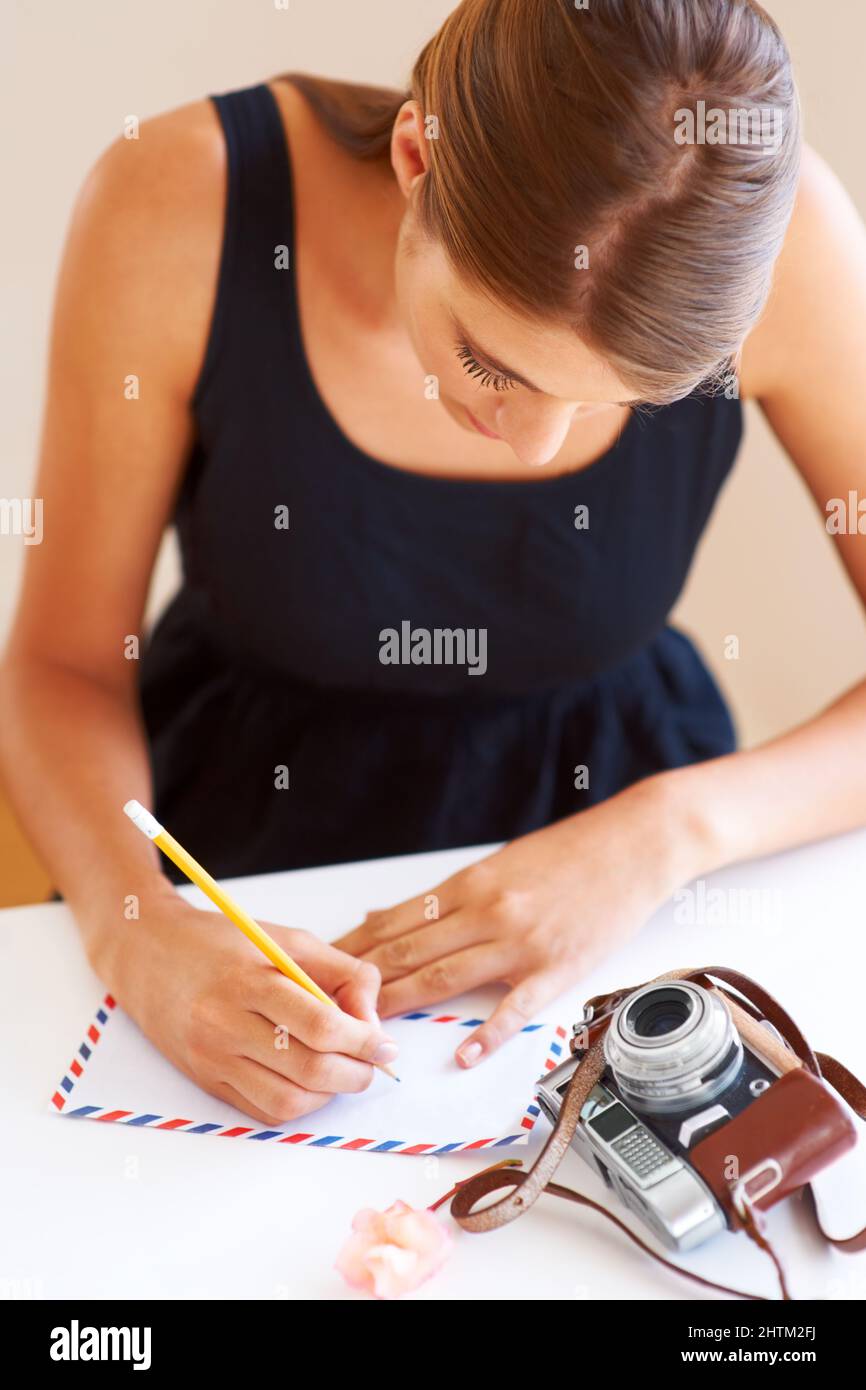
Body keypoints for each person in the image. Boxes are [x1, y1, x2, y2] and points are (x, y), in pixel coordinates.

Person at [3, 0, 866, 1125]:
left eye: (616, 402)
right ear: (417, 157)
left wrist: (666, 833)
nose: (536, 443)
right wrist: (138, 929)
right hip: (230, 837)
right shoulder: (180, 201)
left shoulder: (777, 235)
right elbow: (62, 662)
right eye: (488, 358)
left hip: (618, 850)